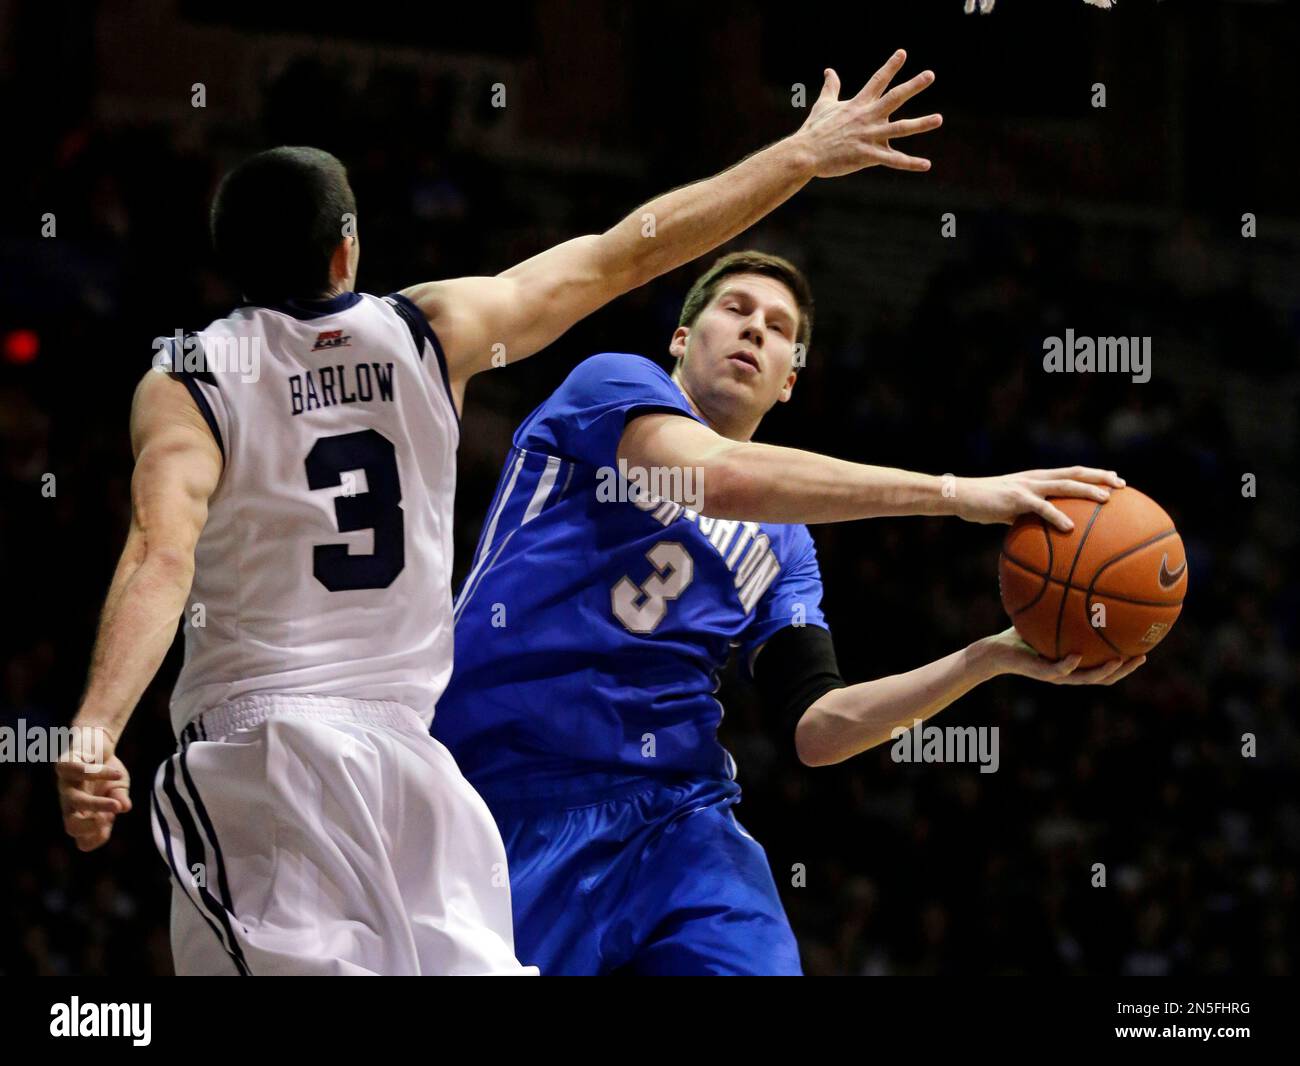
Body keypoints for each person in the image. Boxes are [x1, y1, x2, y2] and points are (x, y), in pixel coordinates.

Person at [55, 53, 945, 974]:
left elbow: (160, 556)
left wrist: (96, 725)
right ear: (347, 251)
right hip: (420, 780)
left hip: (267, 752)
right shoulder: (428, 332)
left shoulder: (189, 379)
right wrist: (798, 157)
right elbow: (630, 248)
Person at [433, 250, 1143, 975]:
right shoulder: (611, 387)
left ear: (789, 383)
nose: (754, 331)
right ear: (682, 338)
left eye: (777, 329)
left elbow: (820, 730)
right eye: (735, 310)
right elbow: (716, 476)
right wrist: (955, 492)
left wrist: (985, 658)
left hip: (679, 816)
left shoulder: (785, 542)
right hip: (506, 794)